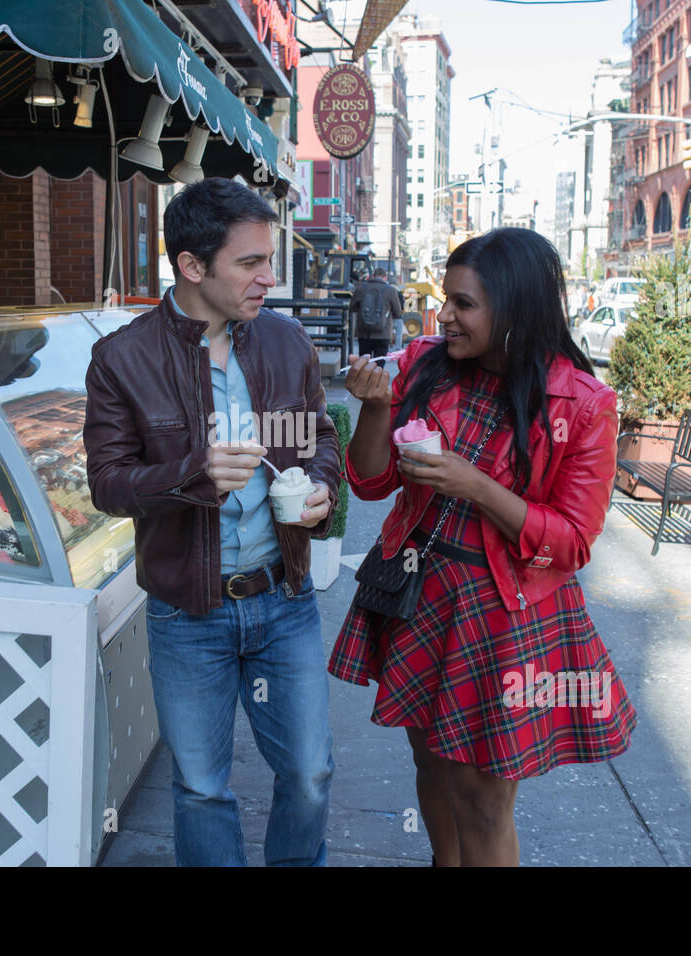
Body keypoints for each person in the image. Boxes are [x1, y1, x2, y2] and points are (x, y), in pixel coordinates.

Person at [330, 227, 636, 867]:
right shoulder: (425, 366)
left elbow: (574, 541)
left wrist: (477, 487)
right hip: (417, 596)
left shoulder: (582, 403)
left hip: (504, 613)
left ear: (514, 308)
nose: (443, 315)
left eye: (463, 304)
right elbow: (370, 481)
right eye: (446, 300)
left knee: (486, 800)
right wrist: (378, 407)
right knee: (432, 766)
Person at [83, 178, 342, 866]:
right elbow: (107, 484)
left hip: (284, 599)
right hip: (185, 613)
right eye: (250, 263)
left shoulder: (285, 344)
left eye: (268, 259)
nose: (268, 276)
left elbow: (321, 439)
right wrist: (191, 477)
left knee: (311, 774)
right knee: (200, 789)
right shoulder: (122, 358)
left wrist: (320, 489)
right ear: (192, 266)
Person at [349, 266, 402, 358]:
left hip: (364, 333)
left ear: (373, 276)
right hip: (383, 333)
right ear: (385, 277)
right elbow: (398, 313)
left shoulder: (361, 288)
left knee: (364, 364)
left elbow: (352, 308)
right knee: (379, 365)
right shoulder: (391, 290)